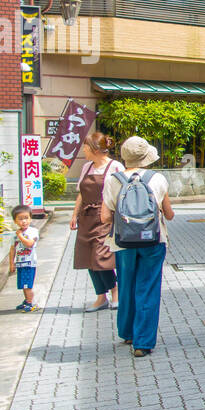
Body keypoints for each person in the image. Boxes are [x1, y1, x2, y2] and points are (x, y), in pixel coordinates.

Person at [101, 136, 173, 358]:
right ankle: (142, 342)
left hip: (123, 242)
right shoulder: (157, 178)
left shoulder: (113, 179)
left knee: (126, 285)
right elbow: (169, 214)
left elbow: (105, 217)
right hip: (153, 240)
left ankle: (127, 332)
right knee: (148, 288)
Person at [70, 132, 123, 312]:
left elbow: (122, 193)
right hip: (86, 217)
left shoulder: (115, 167)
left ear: (94, 148)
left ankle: (115, 291)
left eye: (86, 146)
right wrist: (74, 214)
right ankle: (101, 296)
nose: (83, 149)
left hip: (105, 216)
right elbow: (81, 193)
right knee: (87, 257)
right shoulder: (86, 167)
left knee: (100, 257)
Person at [9, 204, 39, 312]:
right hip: (20, 263)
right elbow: (12, 249)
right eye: (20, 219)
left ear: (30, 218)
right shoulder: (14, 235)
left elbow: (29, 244)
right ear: (15, 221)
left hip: (29, 263)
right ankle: (26, 301)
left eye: (26, 218)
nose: (24, 221)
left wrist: (20, 236)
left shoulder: (33, 232)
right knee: (23, 284)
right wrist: (12, 264)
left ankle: (31, 303)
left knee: (27, 285)